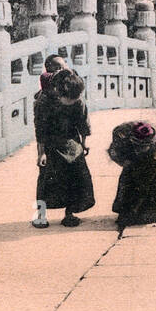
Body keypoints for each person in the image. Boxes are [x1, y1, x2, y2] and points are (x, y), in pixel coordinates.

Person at [32, 68, 95, 228]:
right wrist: (41, 153)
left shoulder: (77, 99)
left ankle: (70, 213)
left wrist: (84, 143)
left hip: (72, 142)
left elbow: (83, 124)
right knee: (46, 180)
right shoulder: (44, 101)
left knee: (76, 177)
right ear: (58, 91)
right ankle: (40, 215)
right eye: (69, 99)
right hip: (50, 143)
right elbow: (40, 130)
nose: (73, 101)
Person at [107, 120, 156, 228]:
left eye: (144, 147)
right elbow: (115, 151)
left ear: (151, 143)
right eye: (138, 146)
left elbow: (145, 182)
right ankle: (127, 209)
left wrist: (135, 209)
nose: (140, 150)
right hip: (137, 152)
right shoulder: (121, 132)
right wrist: (127, 162)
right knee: (128, 176)